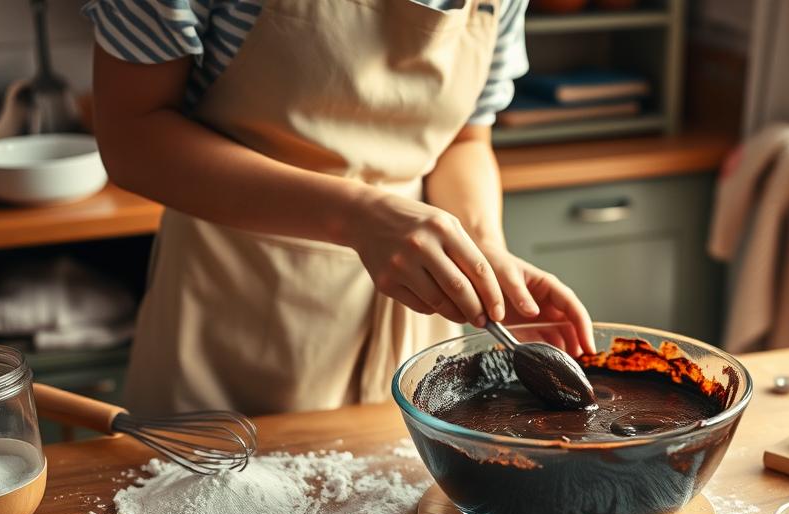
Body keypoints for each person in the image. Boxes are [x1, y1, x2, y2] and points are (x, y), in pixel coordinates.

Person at [84, 0, 594, 415]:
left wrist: (482, 251)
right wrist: (360, 216)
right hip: (234, 312)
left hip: (421, 316)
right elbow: (132, 137)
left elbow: (464, 140)